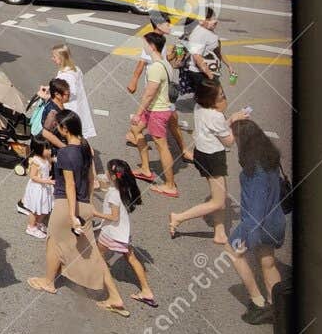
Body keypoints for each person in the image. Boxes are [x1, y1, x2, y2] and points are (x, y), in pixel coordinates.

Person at [28, 110, 129, 317]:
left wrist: (73, 214)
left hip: (67, 204)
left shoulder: (65, 153)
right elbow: (91, 178)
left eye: (59, 127)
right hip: (85, 203)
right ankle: (114, 295)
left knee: (53, 241)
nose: (58, 130)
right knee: (90, 250)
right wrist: (89, 204)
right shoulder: (85, 147)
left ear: (65, 129)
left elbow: (70, 185)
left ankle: (48, 282)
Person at [226, 119, 287, 322]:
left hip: (260, 225)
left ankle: (258, 301)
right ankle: (277, 306)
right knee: (267, 263)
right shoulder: (270, 158)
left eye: (235, 138)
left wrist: (246, 239)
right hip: (276, 221)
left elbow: (256, 209)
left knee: (233, 252)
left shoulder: (256, 171)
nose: (234, 141)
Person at [169, 80, 242, 244]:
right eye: (221, 96)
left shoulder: (199, 108)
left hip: (202, 154)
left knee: (221, 195)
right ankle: (178, 217)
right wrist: (235, 121)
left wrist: (227, 119)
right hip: (213, 157)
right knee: (218, 201)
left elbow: (215, 127)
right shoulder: (216, 116)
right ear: (210, 100)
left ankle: (220, 232)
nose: (224, 98)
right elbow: (229, 141)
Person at [92, 158, 157, 307]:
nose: (106, 173)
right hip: (123, 232)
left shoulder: (114, 194)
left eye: (108, 171)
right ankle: (146, 290)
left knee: (98, 256)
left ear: (114, 176)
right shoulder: (122, 189)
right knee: (132, 258)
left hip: (111, 233)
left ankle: (106, 290)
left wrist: (96, 213)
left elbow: (113, 217)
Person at [127, 32, 177, 195]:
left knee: (162, 147)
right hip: (158, 109)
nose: (144, 47)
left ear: (152, 46)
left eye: (145, 44)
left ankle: (170, 185)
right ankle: (146, 169)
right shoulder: (165, 64)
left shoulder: (155, 68)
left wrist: (137, 113)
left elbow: (149, 94)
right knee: (135, 130)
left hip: (157, 111)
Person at [50, 44, 96, 141]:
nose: (52, 59)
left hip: (70, 108)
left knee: (72, 136)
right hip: (79, 106)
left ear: (61, 58)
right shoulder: (75, 69)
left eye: (54, 57)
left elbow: (67, 94)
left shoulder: (66, 76)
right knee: (78, 135)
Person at [20, 135, 54, 238]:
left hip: (45, 187)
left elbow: (51, 163)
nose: (49, 150)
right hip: (38, 188)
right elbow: (33, 176)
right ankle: (31, 227)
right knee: (34, 210)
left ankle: (38, 223)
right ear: (39, 150)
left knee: (44, 207)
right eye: (46, 148)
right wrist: (46, 181)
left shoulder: (46, 158)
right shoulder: (36, 161)